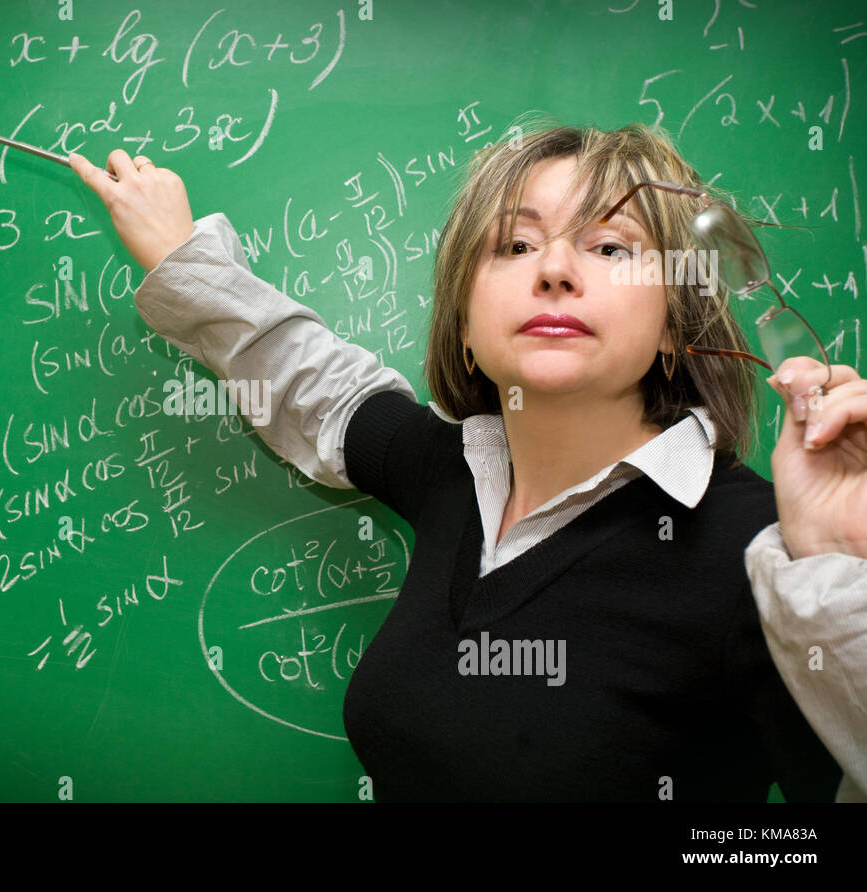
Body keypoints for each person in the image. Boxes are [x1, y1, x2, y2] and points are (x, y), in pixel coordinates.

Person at [67, 123, 867, 802]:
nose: (553, 269)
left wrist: (842, 570)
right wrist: (181, 254)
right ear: (466, 328)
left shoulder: (767, 558)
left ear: (673, 325)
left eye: (611, 247)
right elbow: (312, 380)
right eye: (515, 244)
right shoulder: (451, 474)